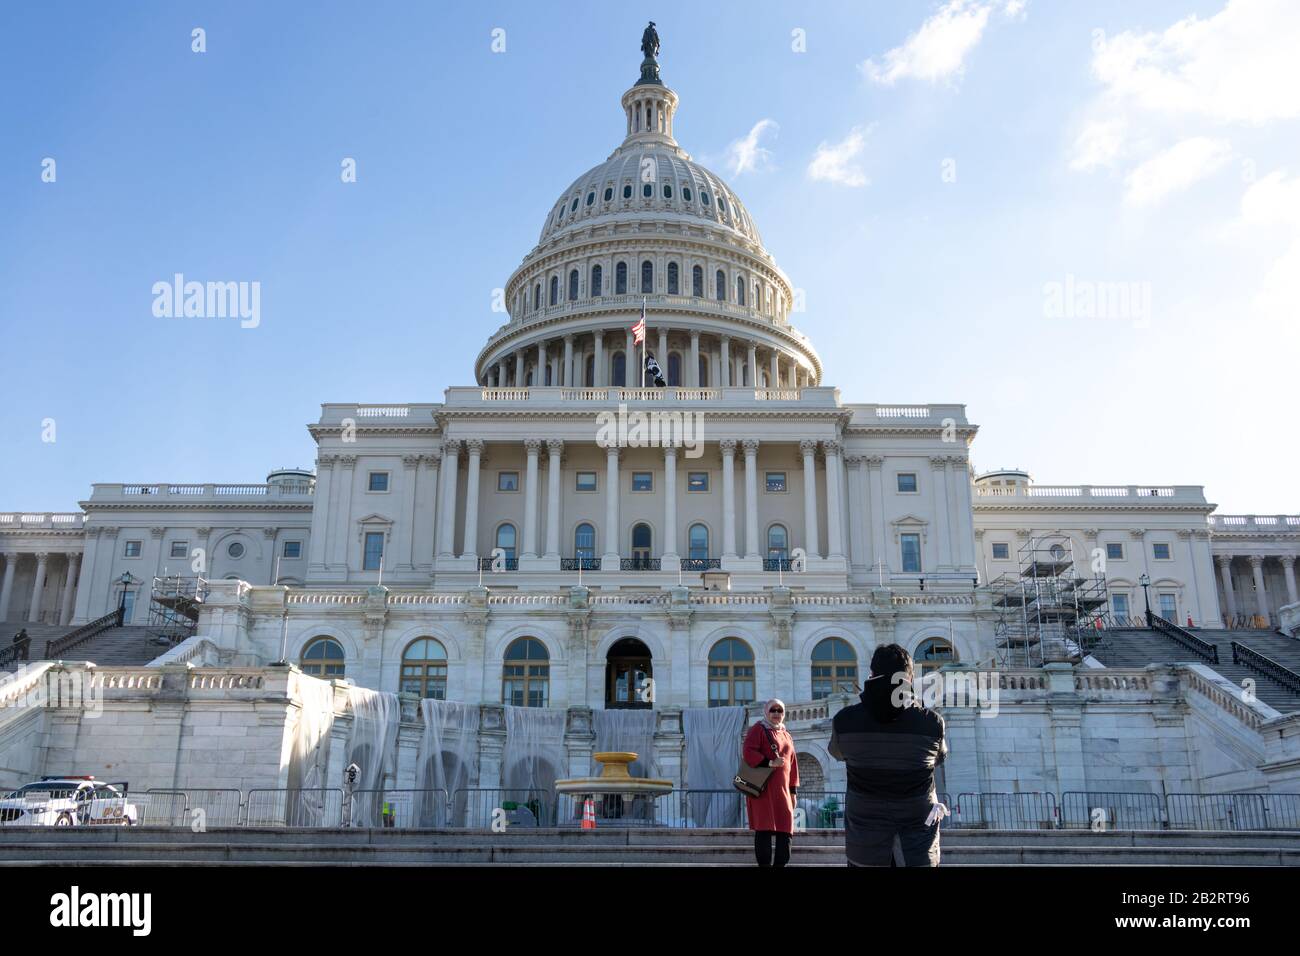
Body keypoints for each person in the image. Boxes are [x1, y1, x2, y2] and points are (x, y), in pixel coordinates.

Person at [829, 644, 947, 866]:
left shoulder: (844, 720)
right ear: (909, 678)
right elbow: (939, 758)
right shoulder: (932, 723)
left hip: (864, 842)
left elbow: (838, 753)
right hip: (917, 846)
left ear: (872, 674)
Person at [742, 698, 799, 866]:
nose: (776, 713)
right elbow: (748, 751)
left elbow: (793, 764)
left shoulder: (787, 734)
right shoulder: (757, 729)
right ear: (766, 712)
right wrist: (769, 762)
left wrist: (793, 791)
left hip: (783, 792)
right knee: (764, 831)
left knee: (786, 832)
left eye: (779, 710)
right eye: (772, 710)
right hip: (763, 790)